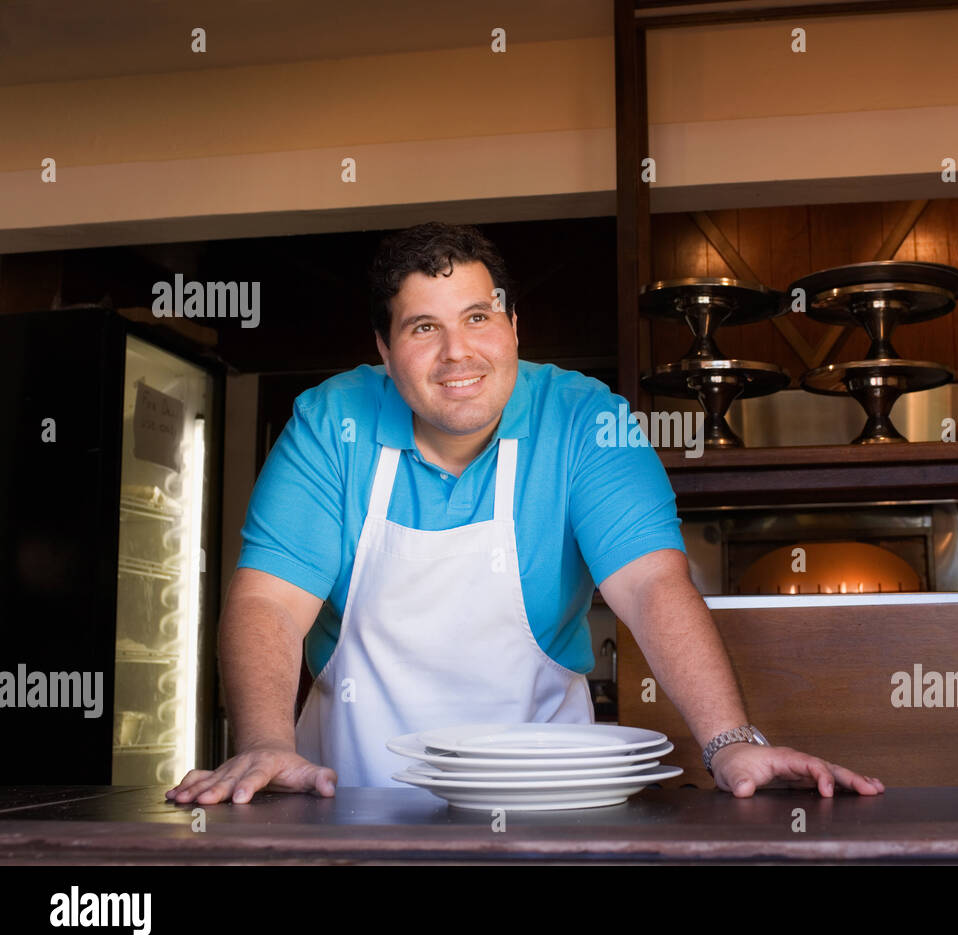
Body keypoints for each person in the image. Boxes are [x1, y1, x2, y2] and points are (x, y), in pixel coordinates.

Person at [167, 222, 884, 805]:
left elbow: (650, 586)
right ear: (385, 350)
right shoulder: (331, 424)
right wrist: (264, 743)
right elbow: (267, 602)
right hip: (351, 803)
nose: (458, 353)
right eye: (423, 328)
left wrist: (731, 743)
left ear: (513, 324)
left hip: (545, 804)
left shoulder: (584, 420)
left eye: (478, 317)